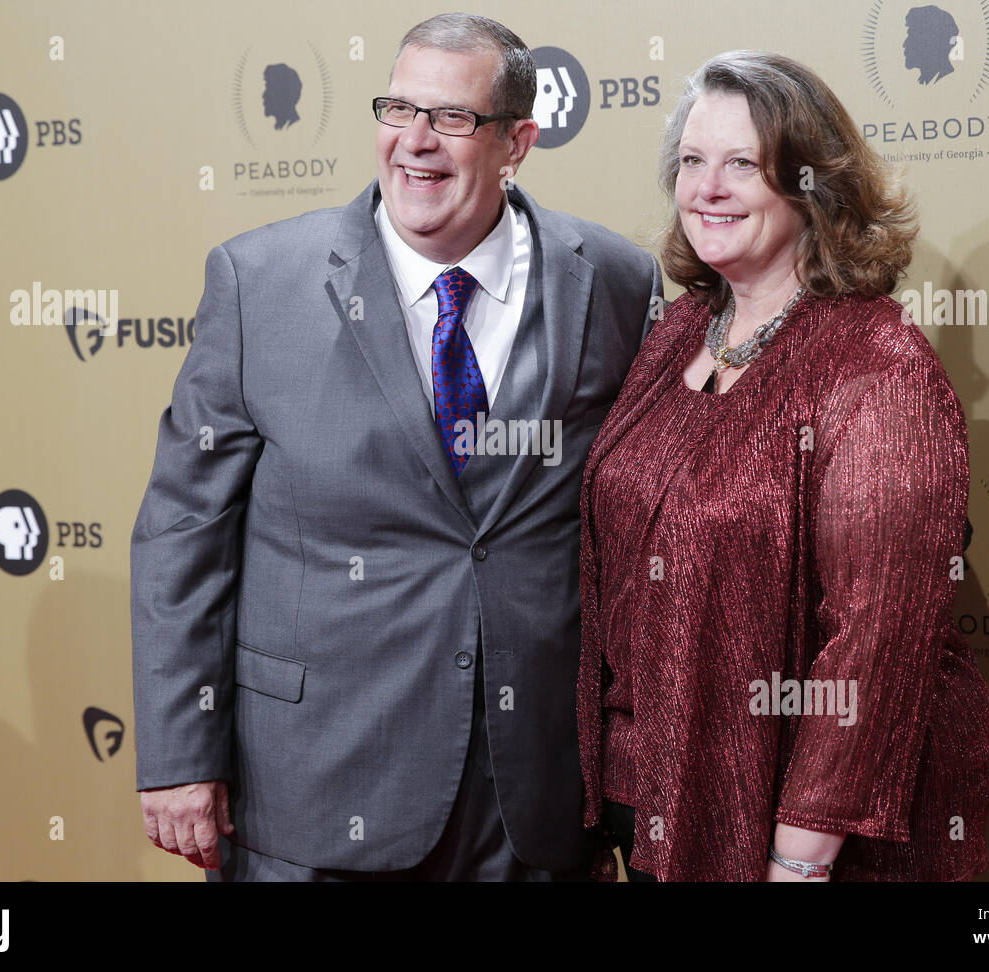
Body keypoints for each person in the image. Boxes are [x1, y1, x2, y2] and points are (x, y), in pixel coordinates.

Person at [130, 12, 661, 881]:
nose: (416, 142)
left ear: (517, 141)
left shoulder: (613, 281)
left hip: (532, 801)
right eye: (397, 109)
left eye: (453, 118)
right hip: (314, 784)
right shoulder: (258, 285)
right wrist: (180, 756)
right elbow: (182, 533)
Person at [576, 50, 989, 881]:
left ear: (813, 185)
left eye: (743, 164)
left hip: (801, 837)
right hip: (658, 798)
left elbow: (877, 639)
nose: (708, 188)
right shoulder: (677, 334)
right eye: (692, 163)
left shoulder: (877, 362)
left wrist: (800, 858)